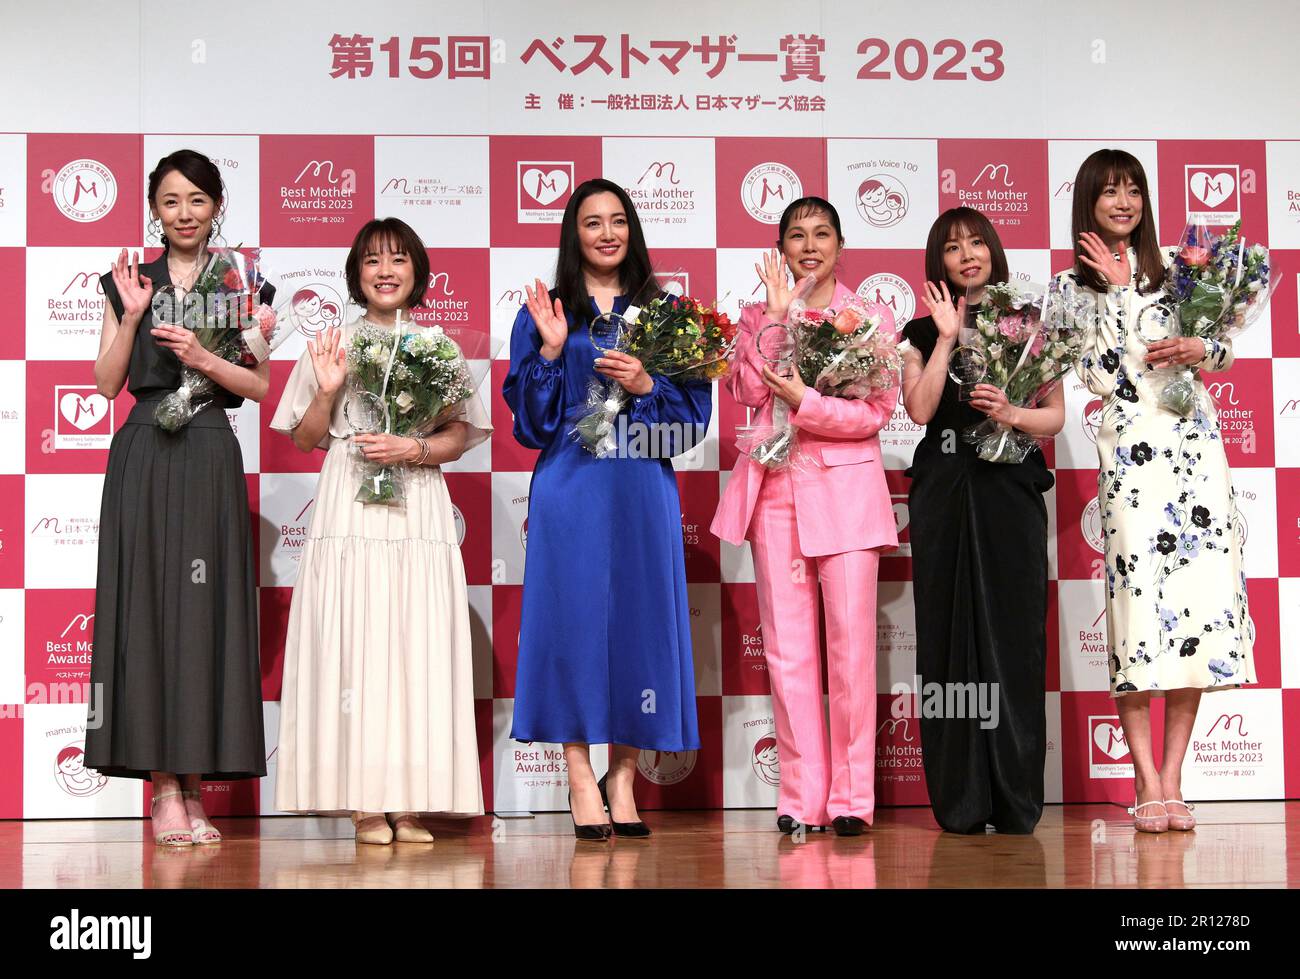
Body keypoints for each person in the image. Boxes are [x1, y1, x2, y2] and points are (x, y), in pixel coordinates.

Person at [503, 178, 711, 840]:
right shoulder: (546, 308)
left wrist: (647, 383)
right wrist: (552, 352)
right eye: (591, 221)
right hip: (571, 484)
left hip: (643, 484)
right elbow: (531, 426)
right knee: (572, 624)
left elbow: (690, 424)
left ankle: (622, 777)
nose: (606, 232)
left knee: (638, 625)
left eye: (617, 219)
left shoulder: (668, 311)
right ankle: (577, 775)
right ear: (574, 232)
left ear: (633, 229)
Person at [271, 217, 490, 844]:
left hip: (417, 503)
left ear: (418, 271)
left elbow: (457, 435)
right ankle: (365, 803)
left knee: (413, 641)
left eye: (397, 259)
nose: (385, 271)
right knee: (357, 640)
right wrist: (328, 391)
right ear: (356, 274)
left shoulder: (441, 345)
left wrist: (412, 447)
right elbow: (307, 436)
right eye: (372, 261)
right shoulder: (332, 343)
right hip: (349, 500)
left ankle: (411, 800)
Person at [1059, 149, 1253, 832]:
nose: (1123, 201)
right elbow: (1100, 376)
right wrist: (1114, 293)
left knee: (1198, 611)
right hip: (1133, 461)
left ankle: (1175, 776)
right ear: (1088, 201)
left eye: (1133, 189)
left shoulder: (1179, 271)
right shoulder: (1072, 288)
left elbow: (1218, 346)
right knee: (1139, 617)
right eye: (1109, 191)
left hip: (1197, 453)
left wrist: (1204, 351)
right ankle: (1144, 779)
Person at [86, 149, 271, 846]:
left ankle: (195, 782)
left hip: (208, 448)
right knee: (150, 609)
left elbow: (256, 388)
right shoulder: (128, 280)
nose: (185, 213)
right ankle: (163, 785)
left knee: (204, 611)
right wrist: (132, 317)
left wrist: (204, 357)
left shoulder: (240, 281)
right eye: (171, 201)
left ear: (216, 205)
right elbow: (106, 384)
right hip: (146, 449)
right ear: (153, 209)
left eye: (197, 199)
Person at [711, 196, 898, 837]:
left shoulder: (870, 317)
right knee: (789, 655)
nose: (809, 246)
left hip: (847, 499)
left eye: (822, 234)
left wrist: (810, 402)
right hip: (777, 495)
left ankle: (850, 801)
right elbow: (747, 391)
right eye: (796, 236)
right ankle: (799, 797)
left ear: (841, 246)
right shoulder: (758, 314)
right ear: (780, 250)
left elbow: (873, 415)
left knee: (850, 654)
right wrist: (778, 317)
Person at [901, 207, 1062, 834]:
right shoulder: (918, 332)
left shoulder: (1027, 327)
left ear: (993, 249)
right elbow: (918, 410)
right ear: (938, 263)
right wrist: (945, 337)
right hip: (943, 495)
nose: (966, 253)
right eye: (951, 247)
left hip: (1009, 494)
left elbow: (1055, 419)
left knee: (1015, 640)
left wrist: (1011, 413)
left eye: (975, 242)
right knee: (945, 641)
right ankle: (961, 800)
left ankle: (1015, 795)